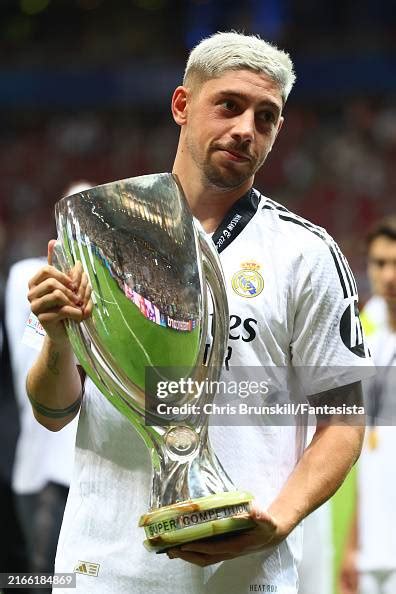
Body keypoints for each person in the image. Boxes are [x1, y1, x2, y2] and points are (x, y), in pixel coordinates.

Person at [25, 32, 373, 594]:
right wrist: (58, 336)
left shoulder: (305, 254)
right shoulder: (102, 230)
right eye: (229, 105)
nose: (246, 129)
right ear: (182, 106)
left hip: (241, 576)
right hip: (103, 568)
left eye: (266, 118)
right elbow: (53, 411)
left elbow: (344, 419)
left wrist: (279, 519)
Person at [4, 182, 92, 591]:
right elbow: (32, 344)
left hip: (78, 467)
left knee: (71, 578)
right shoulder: (29, 275)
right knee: (37, 578)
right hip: (43, 462)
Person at [340, 216, 396, 594]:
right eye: (380, 263)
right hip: (371, 542)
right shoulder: (360, 333)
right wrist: (351, 545)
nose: (389, 275)